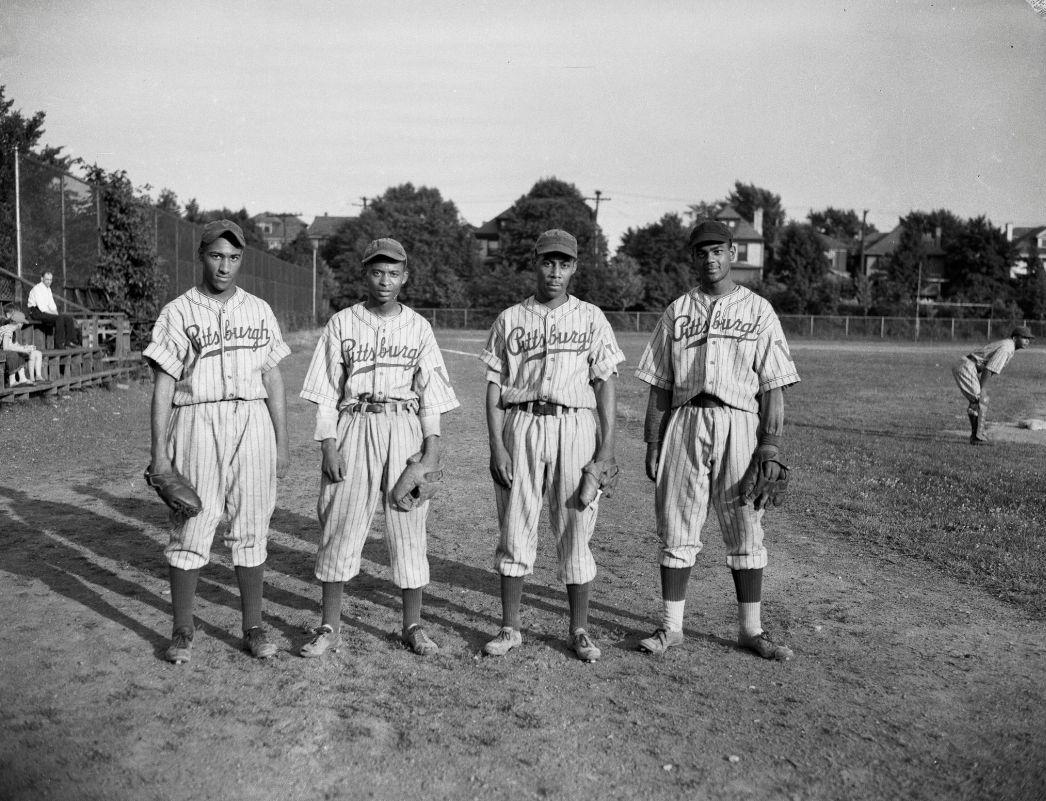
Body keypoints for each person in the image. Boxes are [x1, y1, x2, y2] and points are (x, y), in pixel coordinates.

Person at [635, 220, 800, 661]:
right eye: (701, 252)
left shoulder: (759, 310)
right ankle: (671, 627)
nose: (710, 259)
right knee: (676, 524)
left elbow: (774, 386)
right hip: (685, 420)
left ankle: (751, 630)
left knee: (746, 526)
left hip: (740, 423)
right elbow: (660, 384)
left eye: (717, 250)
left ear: (732, 253)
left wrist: (770, 446)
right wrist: (653, 441)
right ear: (693, 257)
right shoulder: (677, 311)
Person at [298, 237, 459, 658]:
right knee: (340, 521)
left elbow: (431, 397)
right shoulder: (342, 324)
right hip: (354, 423)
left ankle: (413, 625)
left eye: (393, 273)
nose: (385, 280)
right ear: (364, 275)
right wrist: (328, 444)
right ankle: (329, 625)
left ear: (404, 277)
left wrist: (432, 451)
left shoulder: (419, 327)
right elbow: (326, 392)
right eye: (377, 271)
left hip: (403, 427)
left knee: (408, 528)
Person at [143, 219, 291, 665]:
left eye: (233, 257)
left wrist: (283, 443)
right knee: (192, 523)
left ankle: (253, 626)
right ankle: (183, 629)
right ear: (201, 255)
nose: (224, 266)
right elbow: (164, 386)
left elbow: (273, 377)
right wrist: (159, 455)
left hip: (252, 418)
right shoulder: (177, 312)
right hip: (196, 417)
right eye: (216, 256)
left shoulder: (259, 310)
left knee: (251, 524)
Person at [480, 229, 624, 662]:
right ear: (535, 263)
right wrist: (496, 446)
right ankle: (509, 627)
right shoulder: (509, 318)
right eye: (548, 262)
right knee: (514, 526)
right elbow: (493, 387)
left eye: (564, 263)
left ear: (575, 267)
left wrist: (606, 451)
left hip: (574, 425)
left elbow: (606, 385)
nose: (555, 271)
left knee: (576, 527)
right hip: (521, 424)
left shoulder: (592, 317)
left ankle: (579, 628)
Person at [952, 325, 1034, 445]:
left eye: (1029, 338)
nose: (1028, 341)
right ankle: (977, 437)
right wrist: (982, 388)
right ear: (1015, 338)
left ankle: (977, 435)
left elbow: (987, 367)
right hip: (967, 367)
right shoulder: (1007, 348)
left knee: (977, 400)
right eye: (1024, 337)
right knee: (981, 399)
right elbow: (988, 369)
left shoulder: (1008, 345)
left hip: (968, 366)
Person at [27, 271, 79, 349]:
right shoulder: (37, 289)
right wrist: (56, 315)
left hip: (45, 311)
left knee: (68, 318)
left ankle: (70, 341)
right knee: (59, 318)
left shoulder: (48, 289)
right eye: (47, 279)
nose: (49, 282)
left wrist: (56, 313)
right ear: (42, 279)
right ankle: (59, 344)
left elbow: (52, 306)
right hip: (35, 311)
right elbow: (42, 308)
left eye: (50, 280)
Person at [1, 309, 44, 386]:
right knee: (13, 355)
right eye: (22, 323)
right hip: (2, 351)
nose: (23, 325)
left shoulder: (12, 330)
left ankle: (22, 378)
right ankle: (12, 381)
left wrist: (25, 348)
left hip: (4, 350)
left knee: (19, 353)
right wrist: (22, 349)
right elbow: (5, 347)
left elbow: (14, 345)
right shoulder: (8, 330)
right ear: (19, 323)